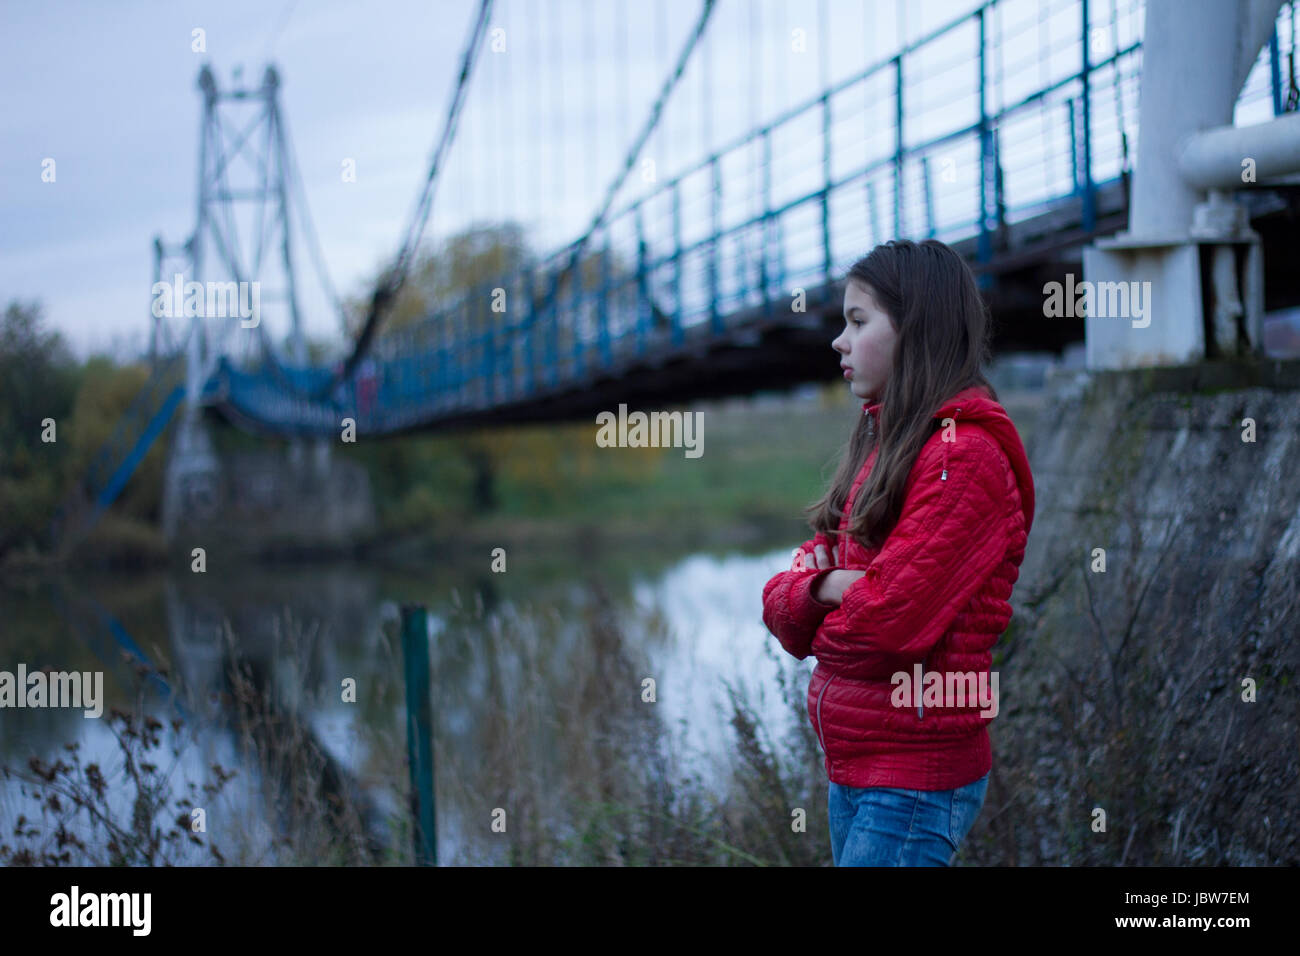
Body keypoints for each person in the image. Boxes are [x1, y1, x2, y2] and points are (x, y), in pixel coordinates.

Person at [761, 238, 1036, 867]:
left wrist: (826, 596)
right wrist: (826, 587)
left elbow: (886, 623)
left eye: (858, 322)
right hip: (860, 763)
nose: (839, 340)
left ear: (917, 331)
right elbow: (803, 578)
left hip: (914, 774)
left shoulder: (963, 458)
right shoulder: (887, 441)